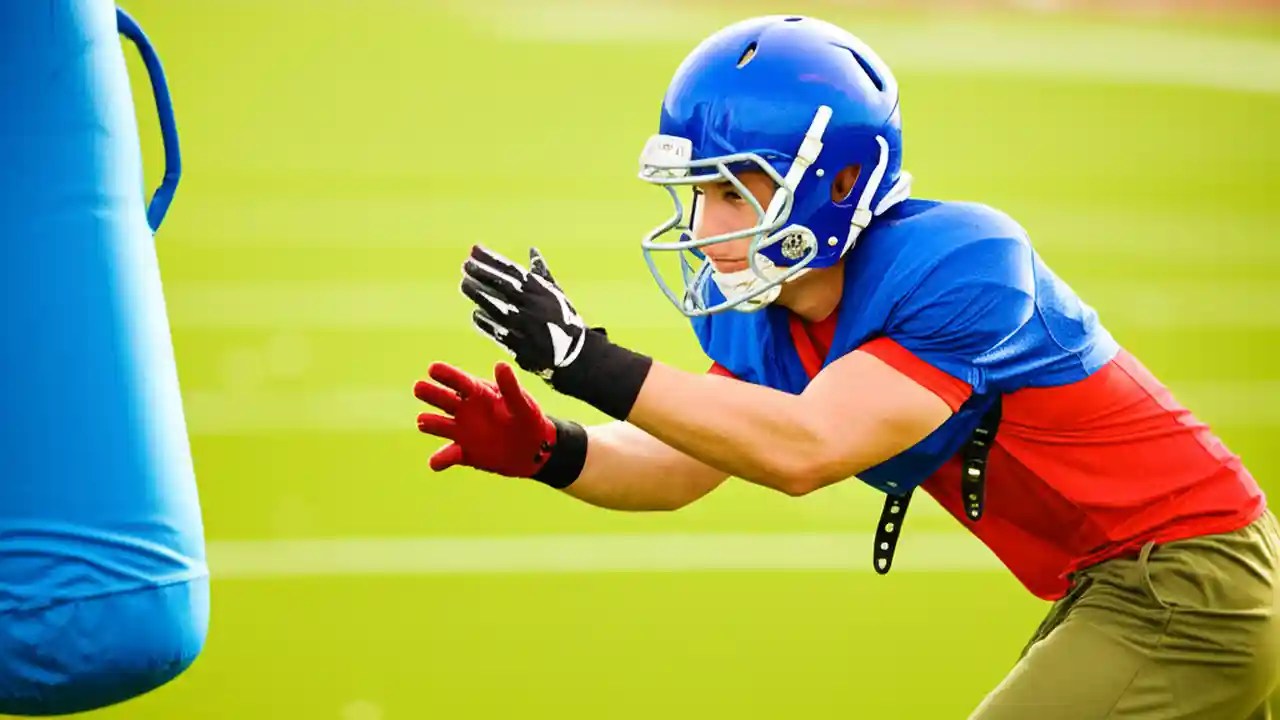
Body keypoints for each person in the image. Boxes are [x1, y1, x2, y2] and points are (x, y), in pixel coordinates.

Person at [414, 15, 1278, 718]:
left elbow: (806, 448)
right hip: (1138, 584)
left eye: (733, 191)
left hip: (1191, 583)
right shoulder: (782, 309)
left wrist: (584, 358)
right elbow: (681, 465)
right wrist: (552, 449)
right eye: (699, 192)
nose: (705, 227)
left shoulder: (958, 264)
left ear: (837, 182)